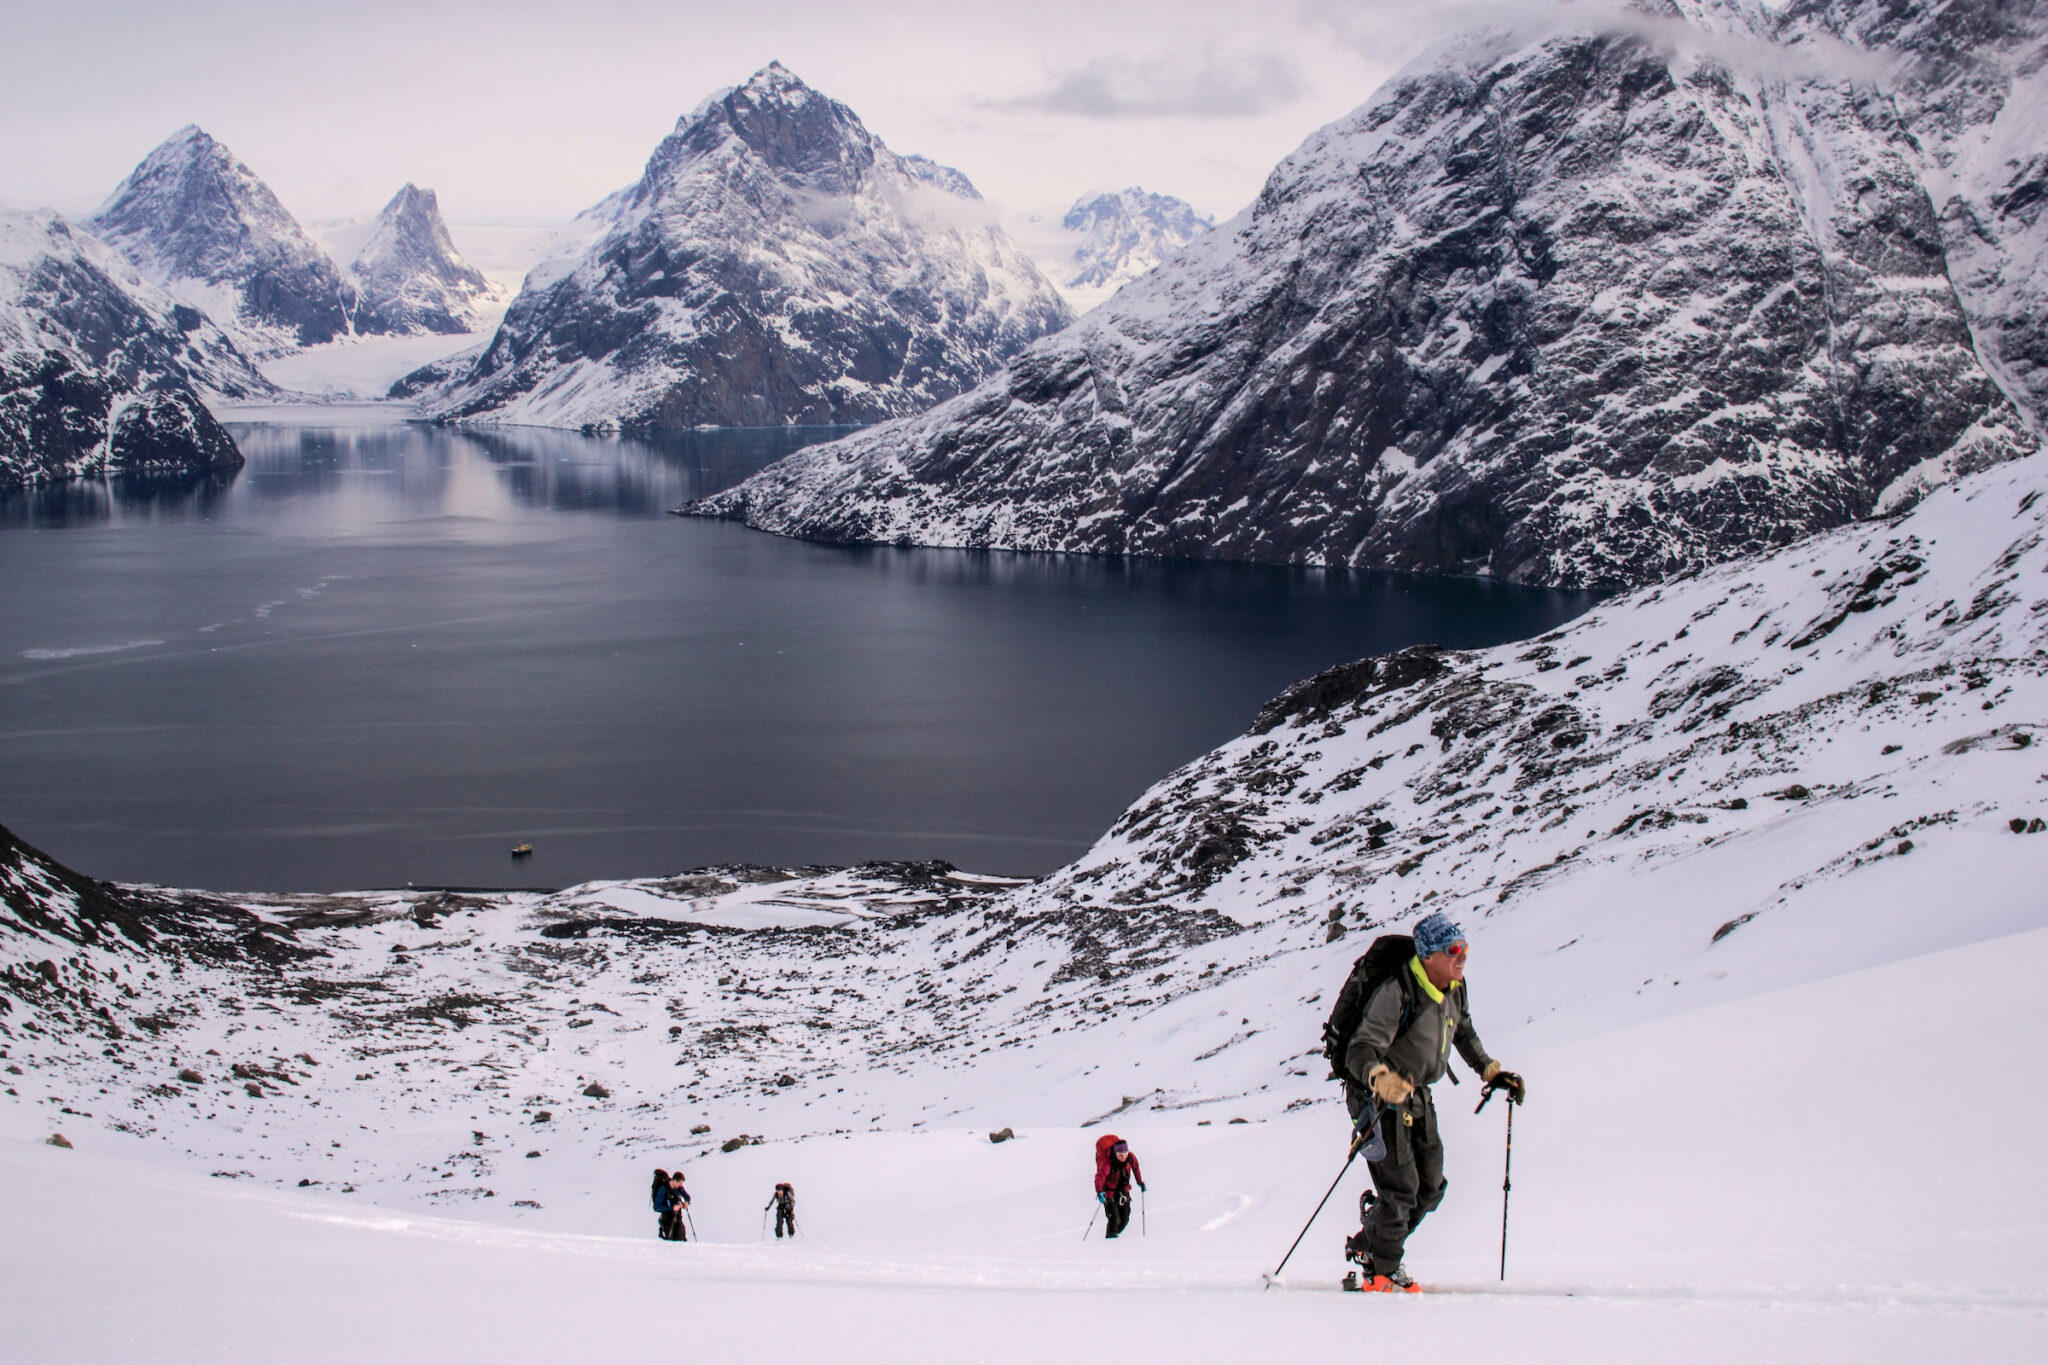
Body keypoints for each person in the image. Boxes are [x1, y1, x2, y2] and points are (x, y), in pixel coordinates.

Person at [1341, 912, 1523, 1292]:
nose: (1462, 956)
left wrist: (1490, 1070)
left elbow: (1463, 1031)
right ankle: (1382, 1271)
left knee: (1430, 1187)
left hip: (1418, 1095)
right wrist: (1380, 1078)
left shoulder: (1454, 988)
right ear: (1428, 955)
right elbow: (1360, 1050)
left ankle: (1369, 1243)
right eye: (1453, 950)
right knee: (1401, 1190)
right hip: (1380, 1099)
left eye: (1464, 948)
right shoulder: (1397, 991)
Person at [1093, 1135, 1145, 1238]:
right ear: (1115, 1153)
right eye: (1120, 1154)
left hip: (1123, 1191)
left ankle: (1113, 1238)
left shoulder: (1130, 1157)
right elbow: (1100, 1177)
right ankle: (1111, 1240)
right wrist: (1099, 1191)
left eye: (1125, 1153)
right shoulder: (1108, 1163)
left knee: (1125, 1219)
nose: (1123, 1156)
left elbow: (1135, 1168)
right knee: (1114, 1220)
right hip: (1109, 1194)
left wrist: (1140, 1182)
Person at [655, 1168, 691, 1241]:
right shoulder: (664, 1188)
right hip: (667, 1219)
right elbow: (657, 1206)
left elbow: (687, 1196)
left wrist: (686, 1202)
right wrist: (672, 1208)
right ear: (675, 1180)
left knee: (681, 1239)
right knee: (668, 1241)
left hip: (678, 1218)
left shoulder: (679, 1188)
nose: (681, 1185)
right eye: (680, 1183)